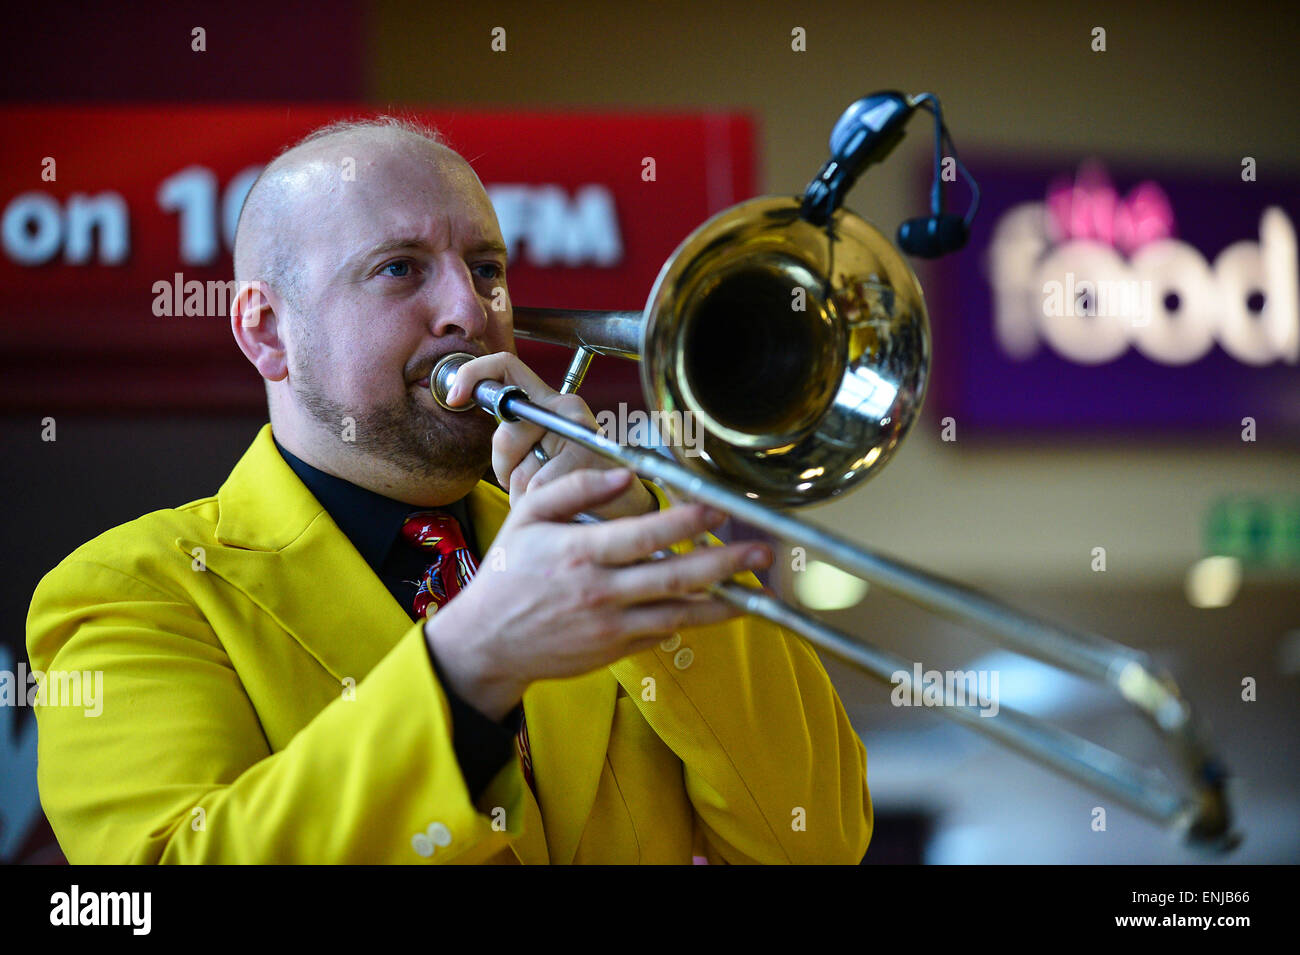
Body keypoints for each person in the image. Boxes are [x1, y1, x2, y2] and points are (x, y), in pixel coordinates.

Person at [25, 117, 872, 864]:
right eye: (399, 269)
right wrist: (467, 664)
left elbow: (817, 841)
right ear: (266, 329)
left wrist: (644, 525)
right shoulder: (131, 593)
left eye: (487, 267)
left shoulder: (610, 531)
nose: (470, 310)